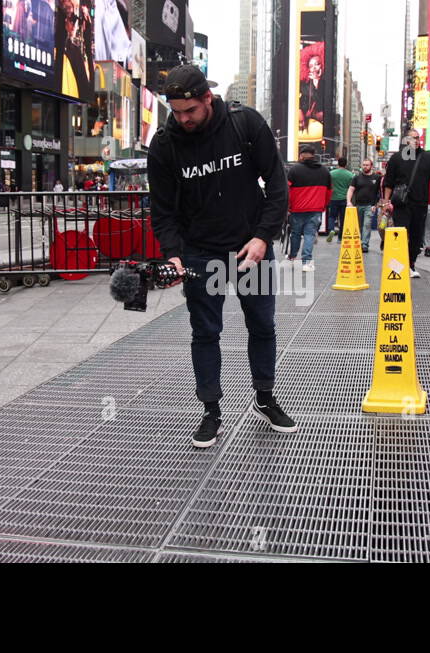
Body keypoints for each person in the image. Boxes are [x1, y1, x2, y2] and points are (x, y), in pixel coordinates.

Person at [147, 64, 295, 448]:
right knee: (206, 332)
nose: (183, 119)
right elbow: (162, 211)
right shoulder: (164, 145)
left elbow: (277, 184)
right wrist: (173, 256)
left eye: (190, 111)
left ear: (207, 99)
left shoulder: (245, 125)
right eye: (176, 112)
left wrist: (264, 237)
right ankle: (211, 411)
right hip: (200, 252)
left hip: (251, 248)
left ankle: (264, 398)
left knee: (262, 325)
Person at [382, 130, 430, 278]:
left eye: (418, 138)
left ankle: (411, 264)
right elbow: (388, 183)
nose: (416, 141)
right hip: (401, 204)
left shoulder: (428, 158)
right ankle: (399, 265)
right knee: (402, 234)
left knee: (417, 237)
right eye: (412, 138)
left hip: (420, 204)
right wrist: (385, 202)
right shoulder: (397, 158)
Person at [287, 145, 332, 271]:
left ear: (301, 155)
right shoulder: (324, 170)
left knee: (295, 234)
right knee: (309, 234)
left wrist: (288, 207)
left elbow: (287, 190)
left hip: (297, 209)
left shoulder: (294, 170)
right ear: (314, 155)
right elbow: (329, 191)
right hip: (316, 209)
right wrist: (324, 206)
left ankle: (292, 258)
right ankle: (306, 262)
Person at [347, 158, 381, 253]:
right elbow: (351, 190)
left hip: (370, 206)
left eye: (367, 165)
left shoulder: (377, 178)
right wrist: (348, 201)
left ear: (371, 166)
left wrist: (376, 205)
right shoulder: (356, 177)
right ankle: (359, 242)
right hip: (357, 205)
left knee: (367, 225)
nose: (365, 166)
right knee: (359, 225)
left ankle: (364, 244)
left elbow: (380, 192)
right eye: (364, 165)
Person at [326, 158, 353, 242]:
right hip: (345, 199)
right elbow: (351, 187)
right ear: (346, 164)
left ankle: (331, 230)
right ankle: (340, 238)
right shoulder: (350, 175)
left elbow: (328, 185)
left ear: (338, 164)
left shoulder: (331, 173)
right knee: (343, 219)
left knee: (332, 216)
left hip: (333, 198)